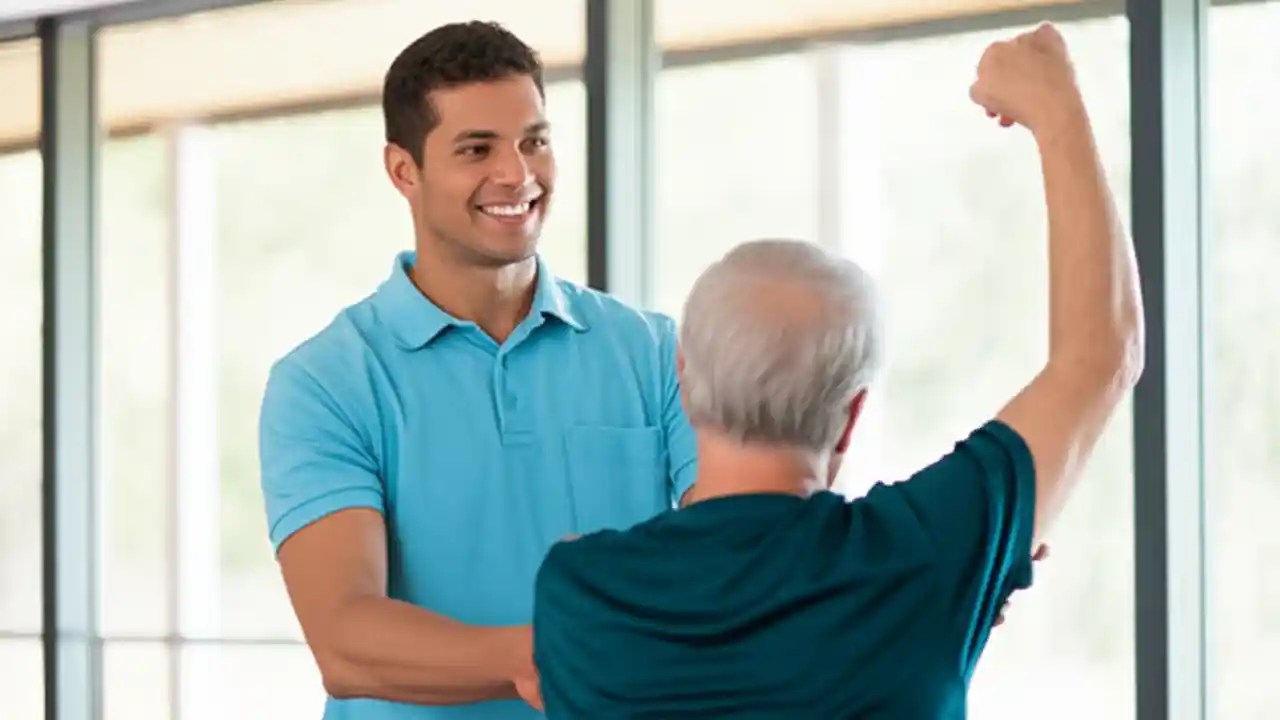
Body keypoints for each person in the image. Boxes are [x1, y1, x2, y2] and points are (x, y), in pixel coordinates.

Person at [531, 22, 1143, 719]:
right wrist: (1057, 105)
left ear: (684, 377)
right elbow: (1101, 354)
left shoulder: (577, 590)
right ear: (851, 415)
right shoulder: (920, 557)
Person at [257, 21, 696, 719]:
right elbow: (347, 642)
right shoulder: (325, 383)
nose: (517, 174)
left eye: (534, 141)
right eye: (477, 149)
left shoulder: (652, 351)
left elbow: (733, 549)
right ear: (404, 171)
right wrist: (556, 655)